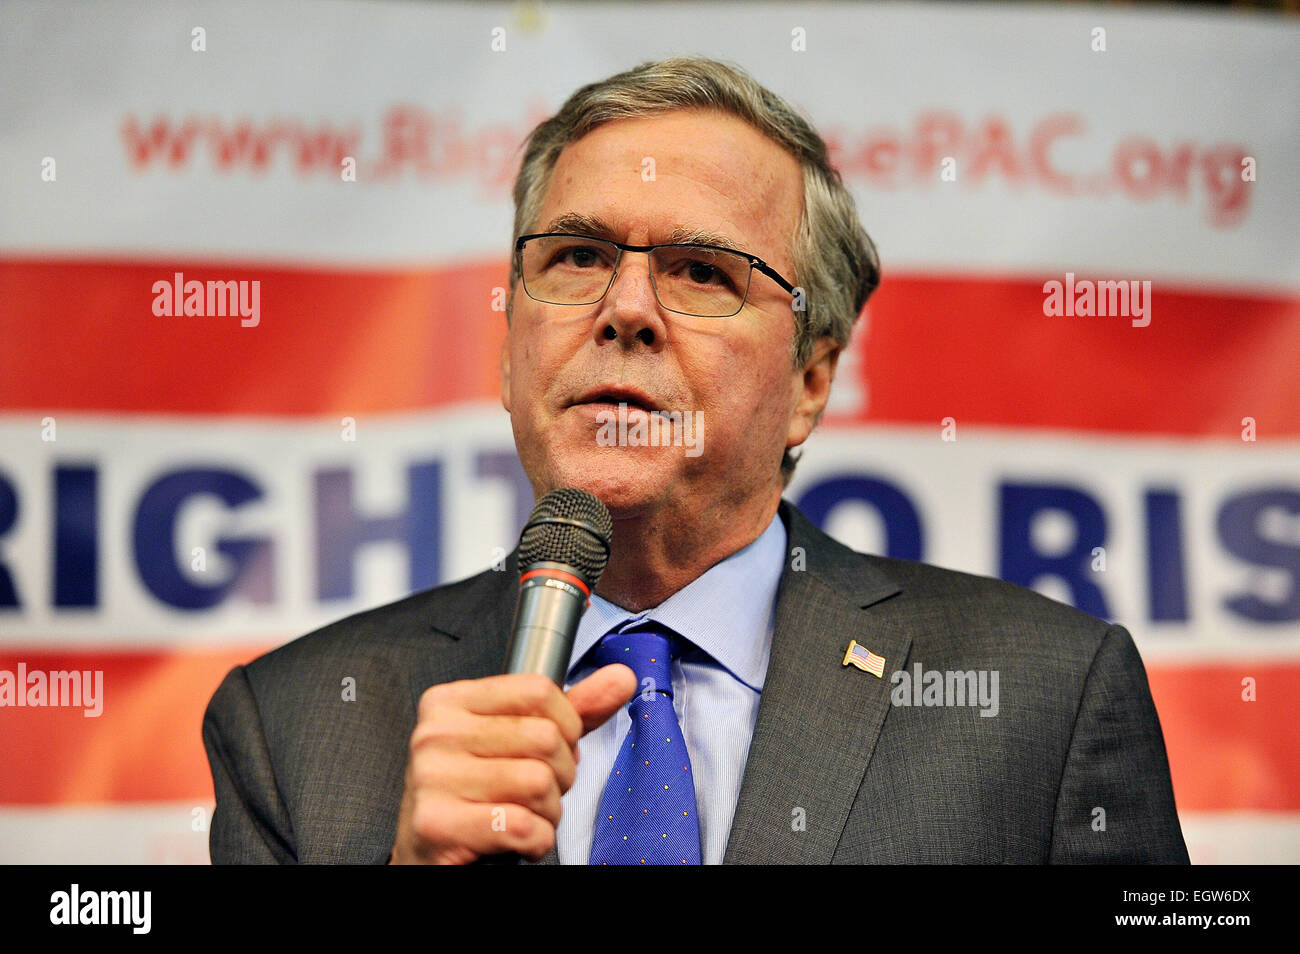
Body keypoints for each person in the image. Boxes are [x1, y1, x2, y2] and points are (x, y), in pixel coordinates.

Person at [202, 56, 1189, 864]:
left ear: (812, 379)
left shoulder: (1045, 700)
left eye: (702, 272)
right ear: (506, 352)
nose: (623, 309)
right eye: (577, 257)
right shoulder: (292, 729)